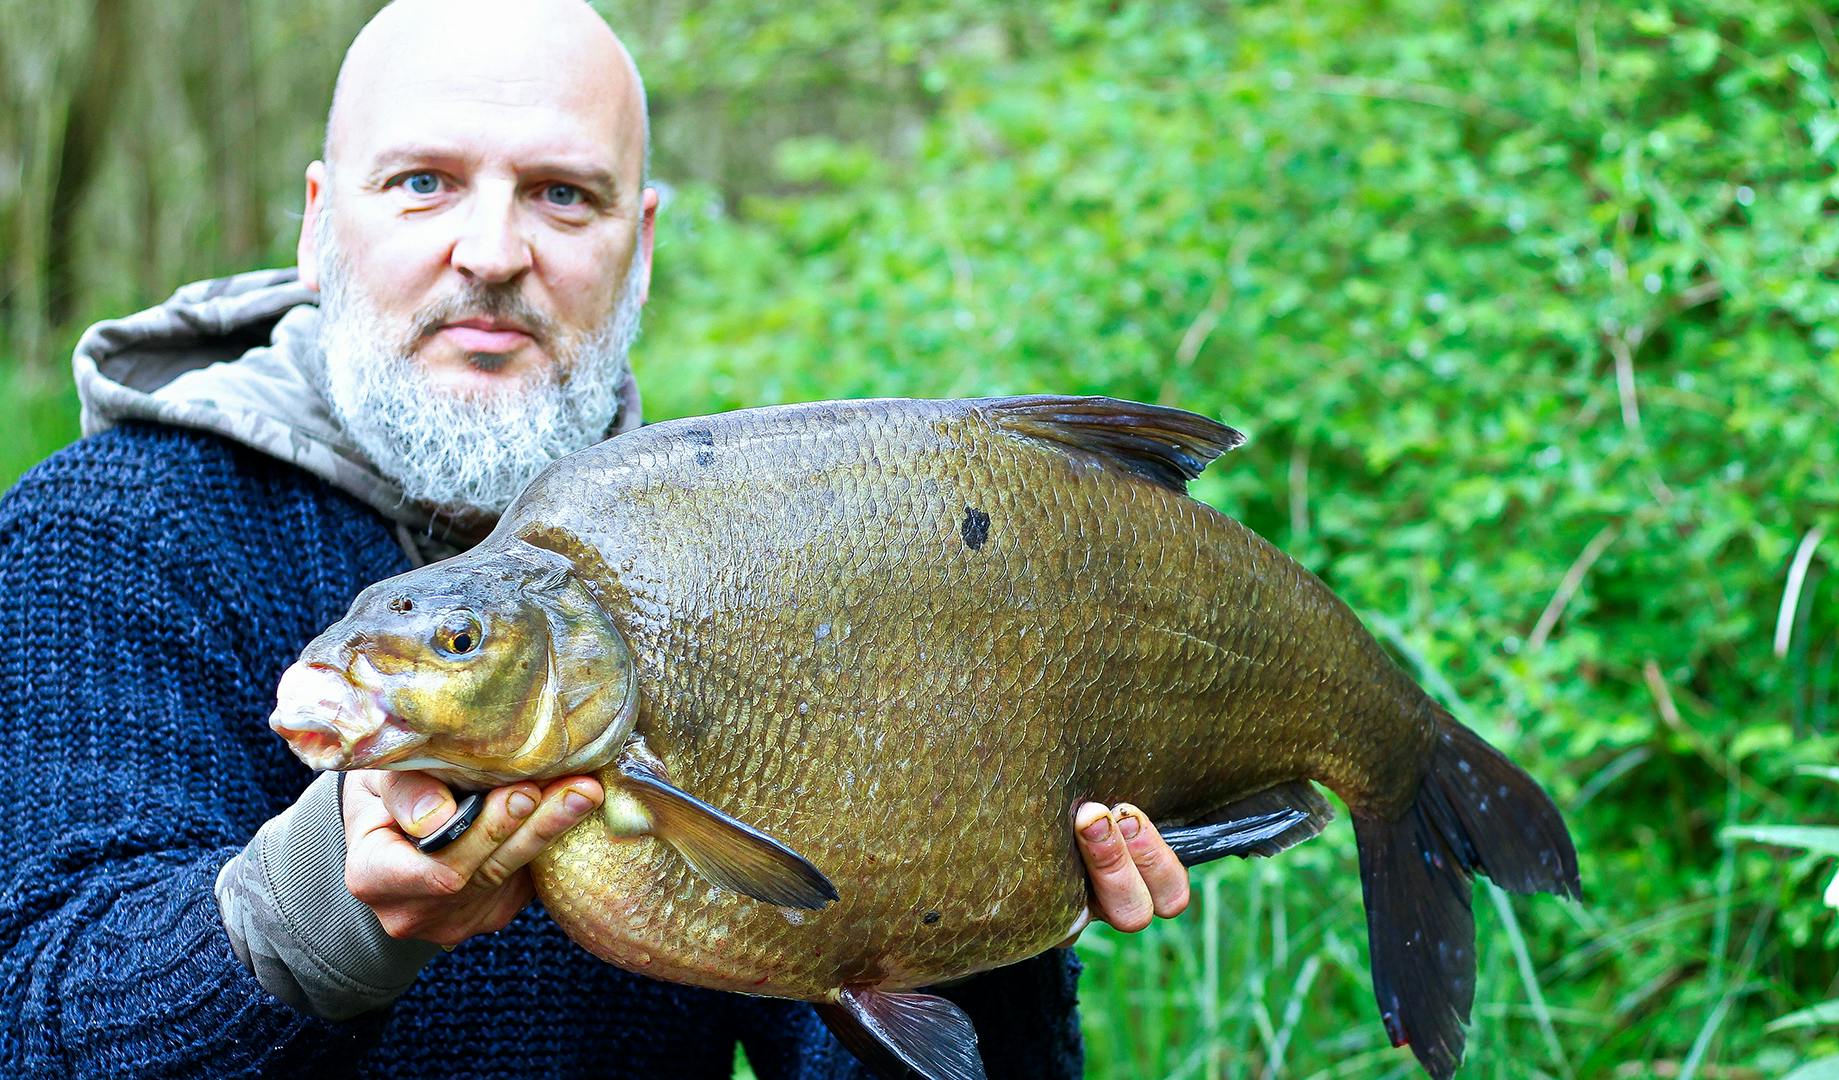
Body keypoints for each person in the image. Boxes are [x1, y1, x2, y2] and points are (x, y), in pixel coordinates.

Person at [0, 1, 1190, 1075]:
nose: (493, 252)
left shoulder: (751, 563)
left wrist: (988, 913)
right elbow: (34, 1017)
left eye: (564, 194)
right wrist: (322, 907)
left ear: (643, 242)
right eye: (423, 182)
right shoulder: (100, 536)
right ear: (319, 223)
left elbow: (846, 1038)